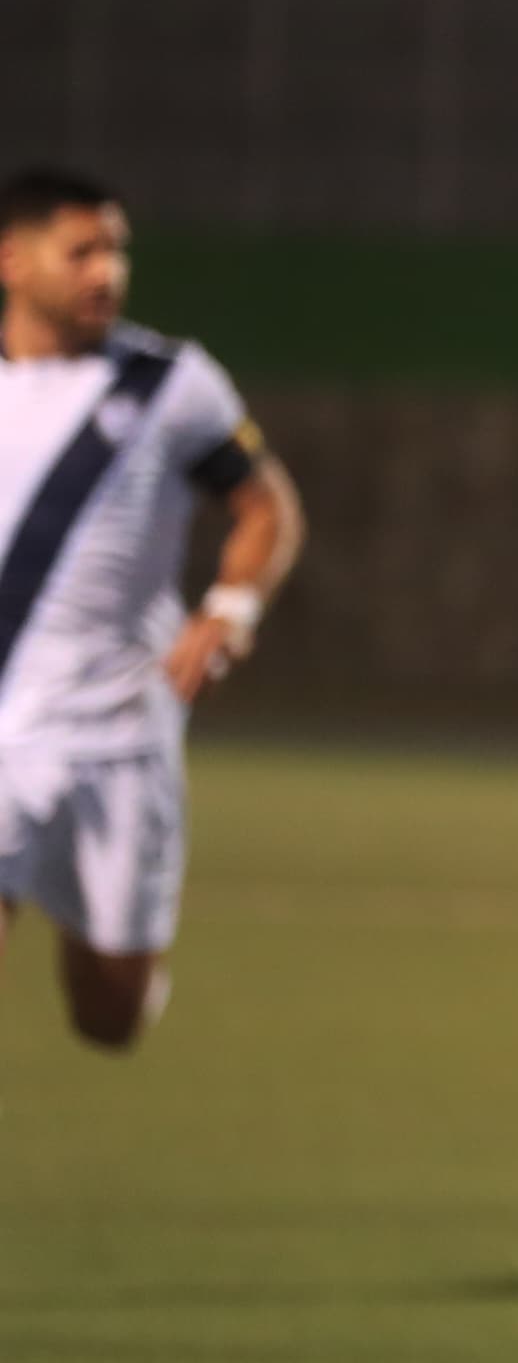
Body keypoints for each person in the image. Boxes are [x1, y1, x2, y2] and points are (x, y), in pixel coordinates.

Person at [0, 168, 304, 1052]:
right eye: (82, 251)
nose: (107, 271)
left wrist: (230, 609)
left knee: (111, 1017)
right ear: (12, 261)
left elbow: (266, 507)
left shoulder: (172, 384)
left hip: (120, 734)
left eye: (116, 251)